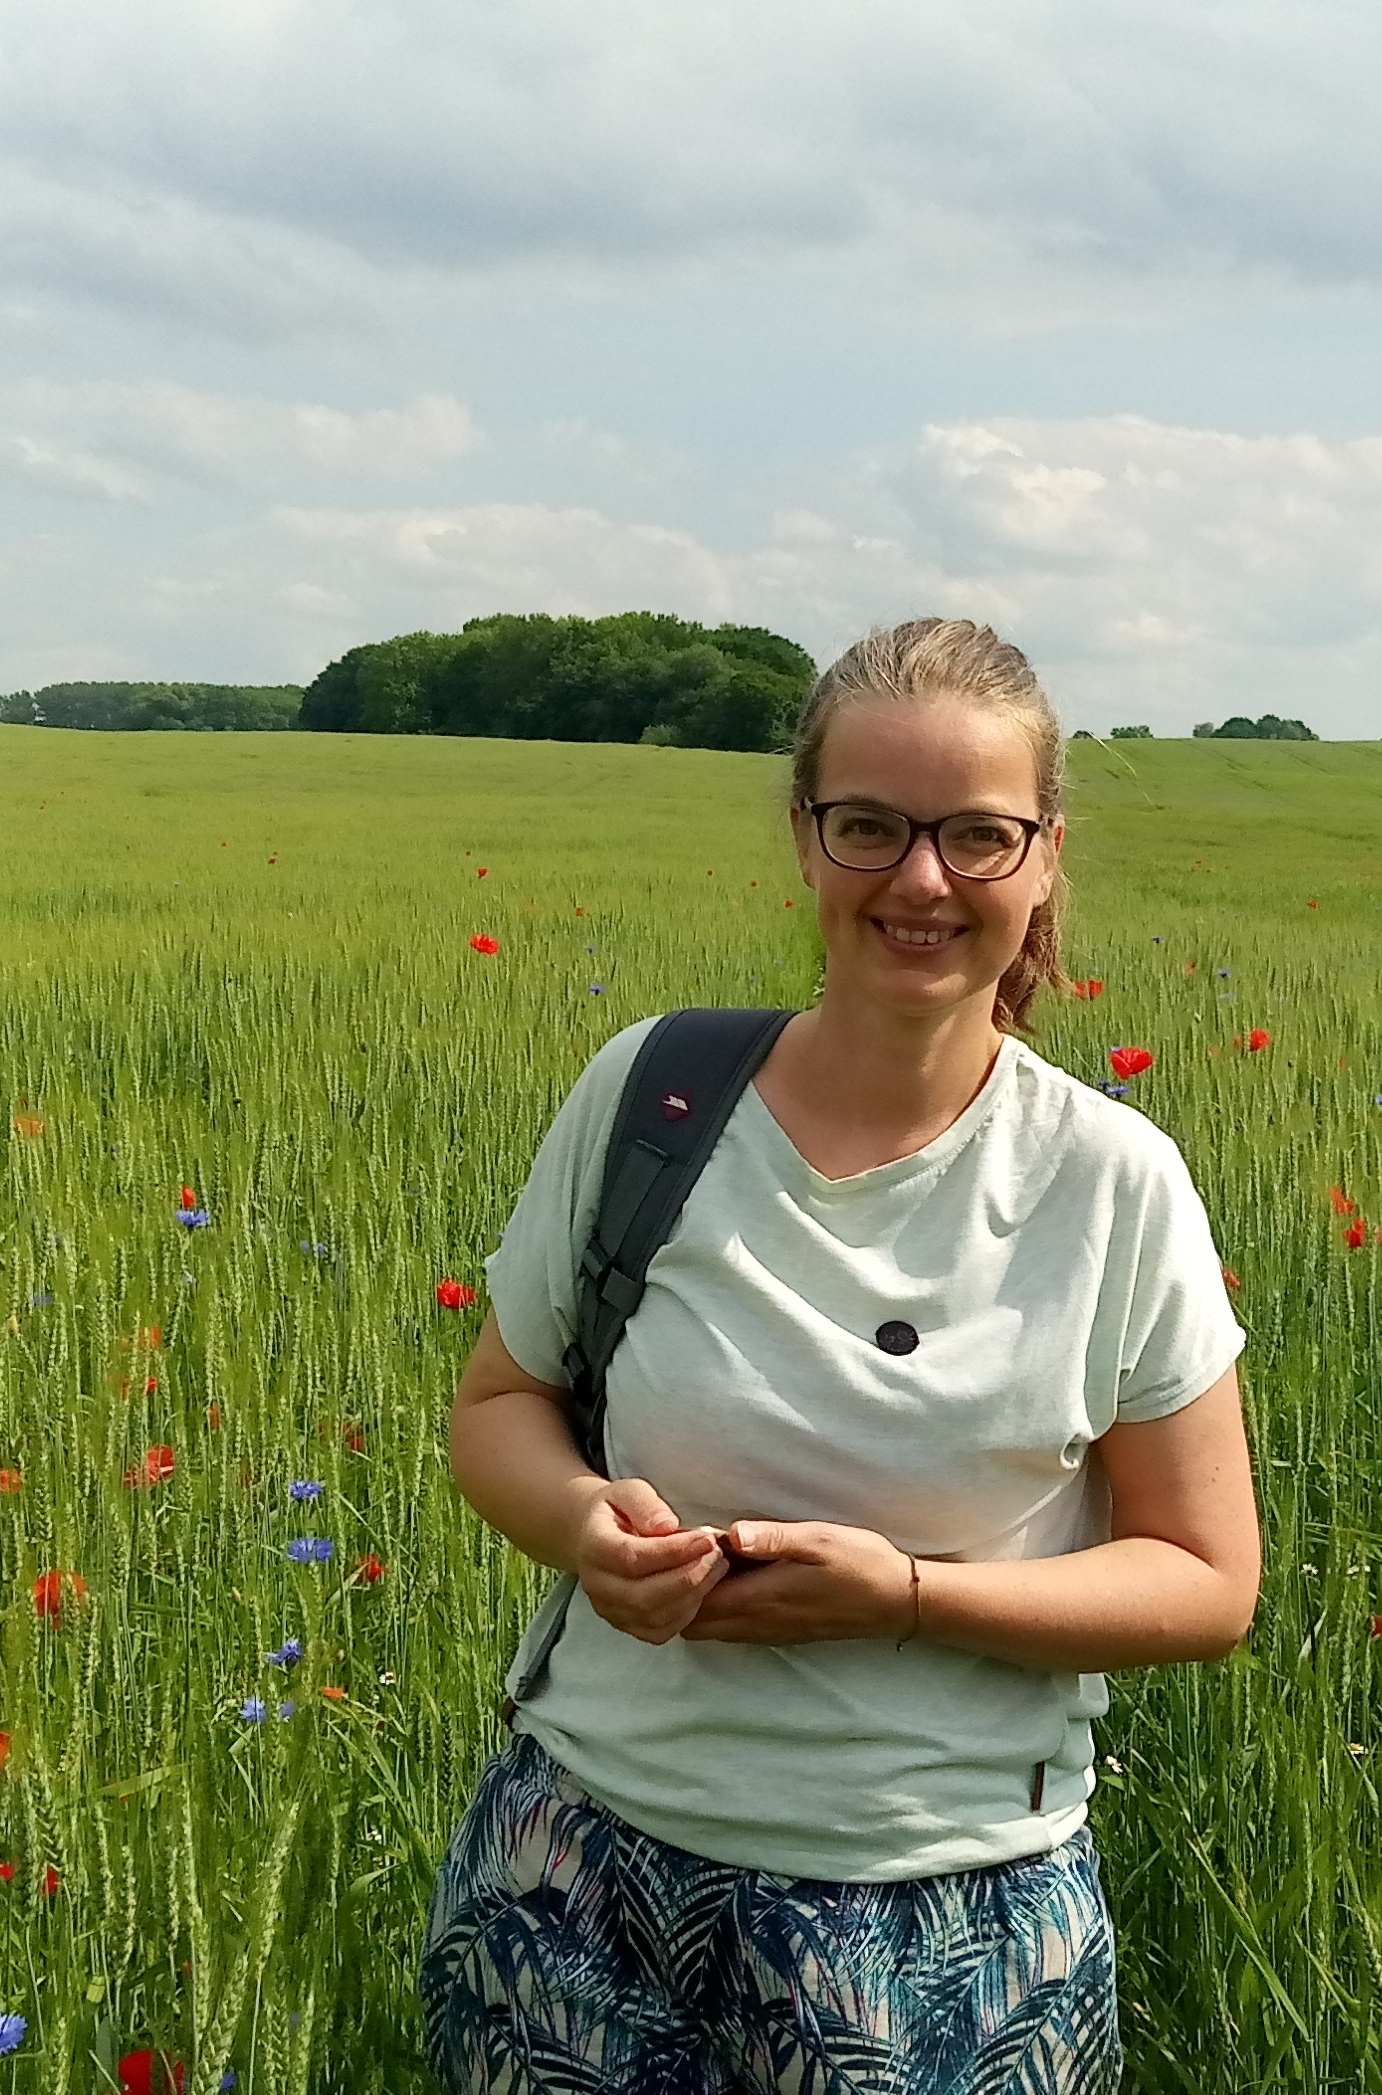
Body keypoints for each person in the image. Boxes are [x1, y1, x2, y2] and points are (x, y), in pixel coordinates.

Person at [418, 617, 1261, 2094]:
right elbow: (500, 1403)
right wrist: (577, 1524)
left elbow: (1205, 1578)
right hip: (572, 1883)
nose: (918, 879)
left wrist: (907, 1600)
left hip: (949, 1931)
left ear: (1043, 855)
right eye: (868, 825)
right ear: (804, 838)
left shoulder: (1111, 1182)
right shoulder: (652, 1096)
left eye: (975, 835)